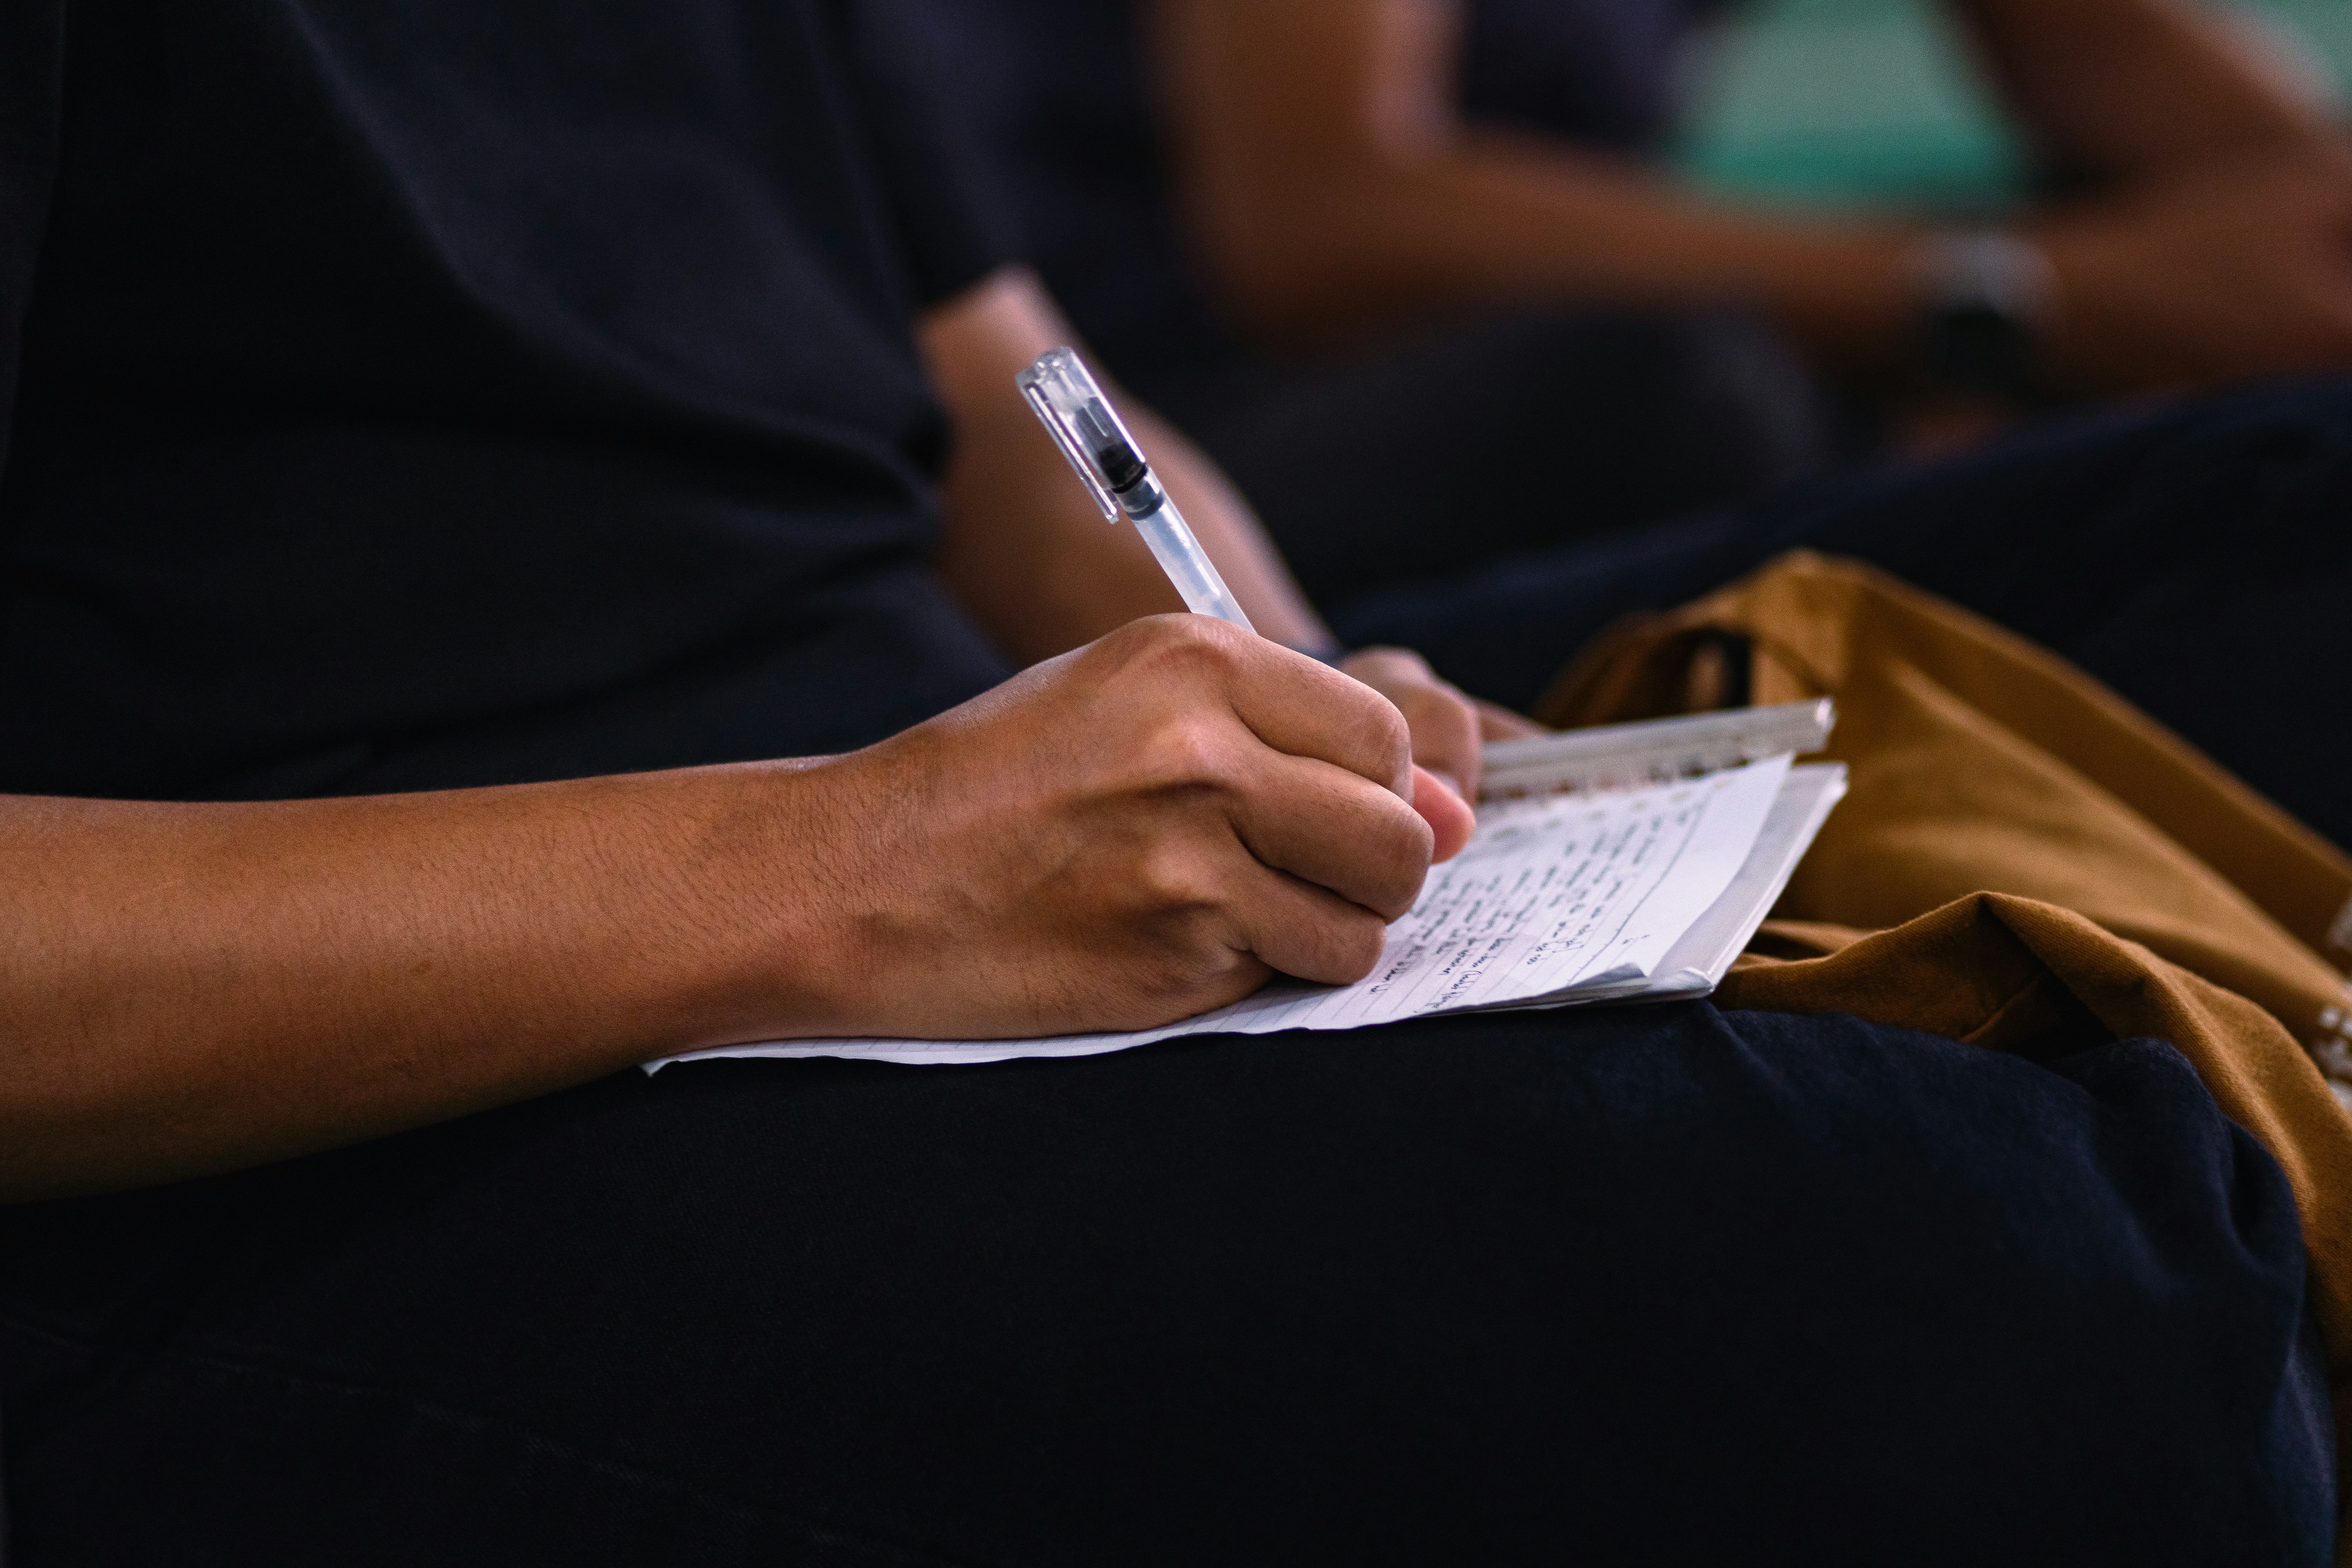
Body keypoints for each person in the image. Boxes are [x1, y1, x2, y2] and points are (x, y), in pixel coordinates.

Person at [0, 2, 2337, 1563]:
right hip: (413, 1066)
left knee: (2296, 518)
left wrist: (1291, 690)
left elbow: (999, 373)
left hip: (928, 797)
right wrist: (867, 865)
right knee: (2013, 1268)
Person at [926, 0, 2352, 606]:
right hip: (1151, 426)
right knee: (1691, 390)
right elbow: (1316, 220)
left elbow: (2117, 67)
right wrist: (2019, 295)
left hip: (1582, 364)